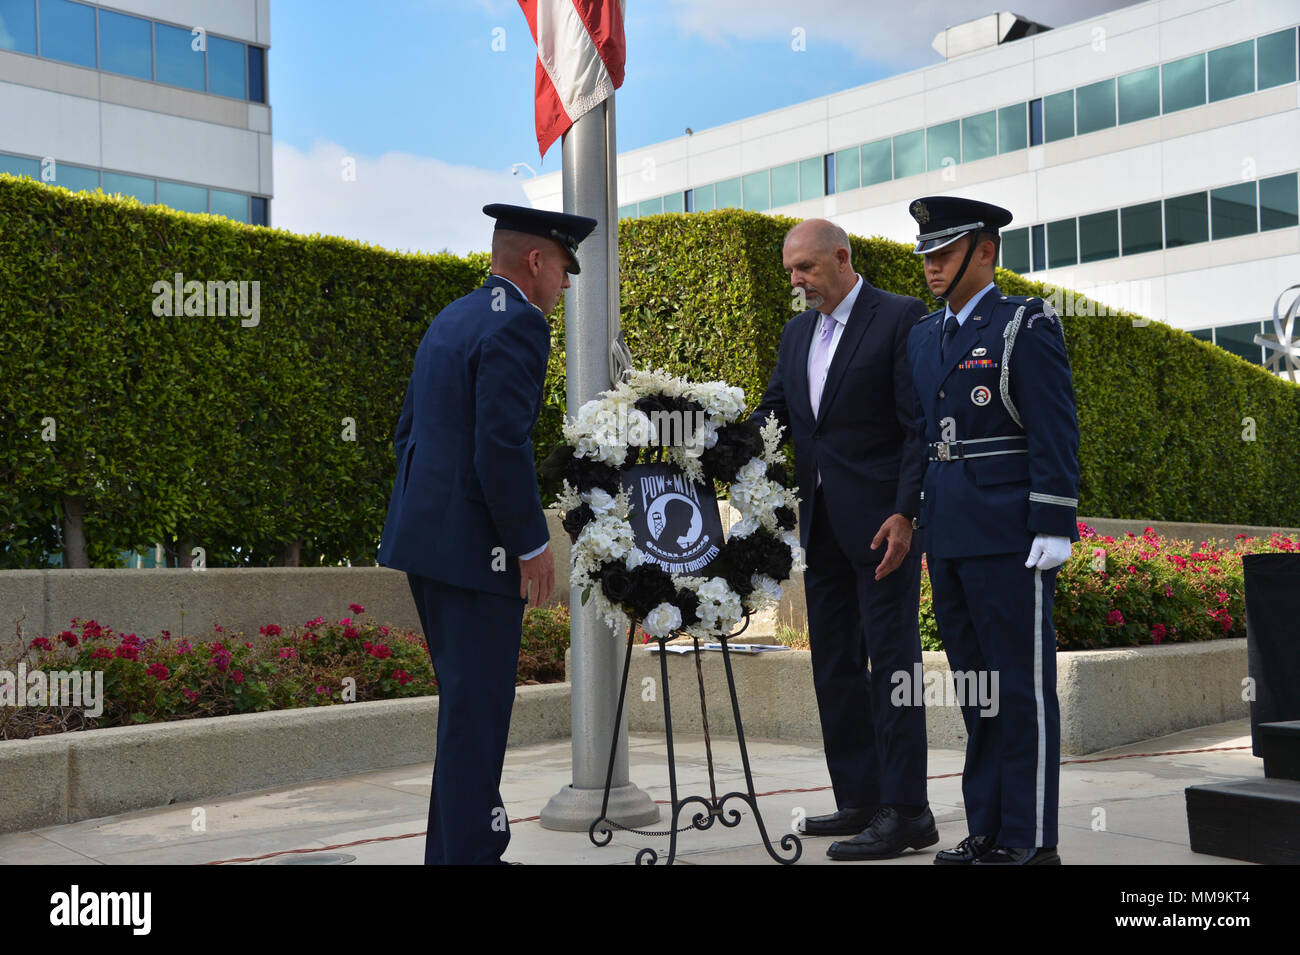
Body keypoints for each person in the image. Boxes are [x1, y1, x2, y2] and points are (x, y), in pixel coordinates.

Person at [377, 202, 597, 865]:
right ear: (535, 262)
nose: (563, 286)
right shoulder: (521, 327)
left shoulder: (455, 315)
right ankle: (471, 855)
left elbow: (408, 433)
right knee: (479, 713)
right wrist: (530, 544)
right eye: (562, 268)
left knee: (465, 710)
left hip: (430, 544)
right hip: (477, 551)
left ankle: (458, 853)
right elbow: (501, 448)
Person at [751, 218, 937, 861]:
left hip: (884, 529)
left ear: (841, 257)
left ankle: (908, 810)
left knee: (892, 666)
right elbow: (774, 414)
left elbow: (918, 427)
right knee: (833, 666)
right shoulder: (796, 333)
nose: (797, 282)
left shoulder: (900, 316)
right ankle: (861, 798)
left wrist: (907, 513)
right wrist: (702, 437)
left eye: (805, 269)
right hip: (822, 527)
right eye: (790, 273)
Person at [905, 195, 1080, 866]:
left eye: (944, 253)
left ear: (986, 250)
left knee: (1020, 689)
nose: (932, 266)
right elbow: (922, 435)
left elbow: (1054, 428)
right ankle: (988, 828)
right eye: (926, 255)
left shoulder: (1023, 325)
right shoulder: (925, 336)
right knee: (977, 691)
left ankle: (1031, 839)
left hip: (1010, 535)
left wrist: (1055, 520)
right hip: (948, 533)